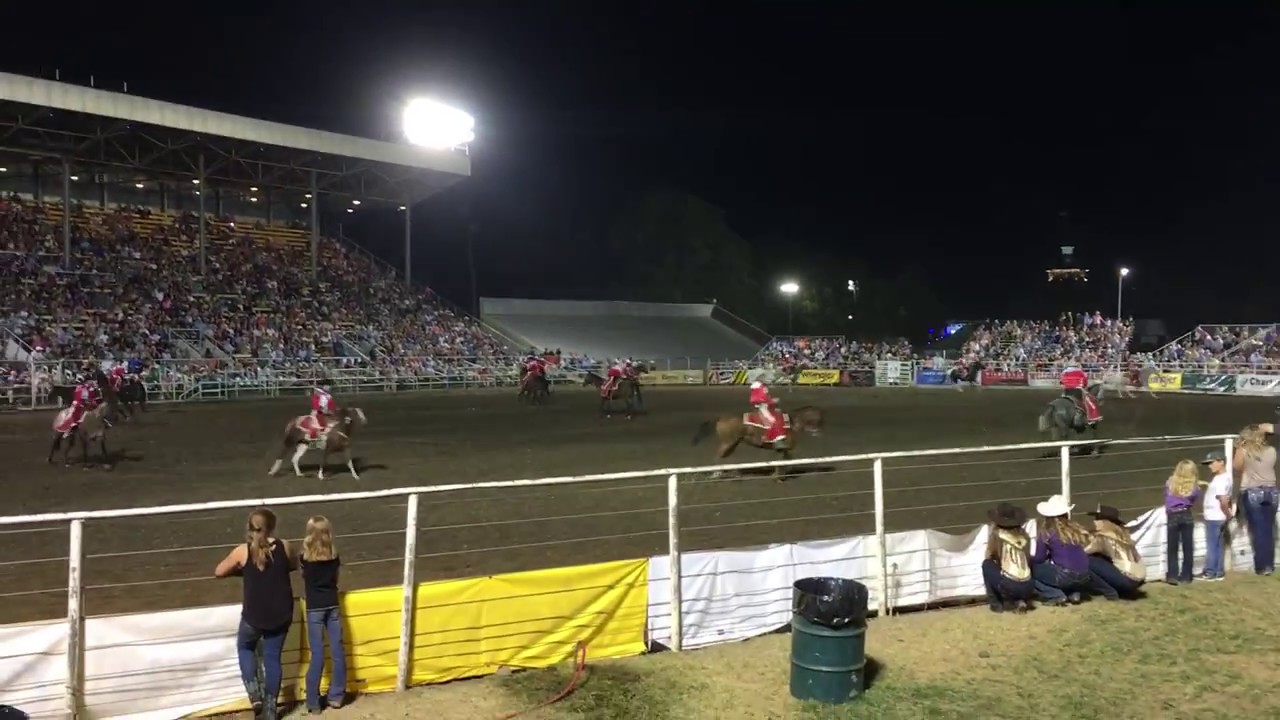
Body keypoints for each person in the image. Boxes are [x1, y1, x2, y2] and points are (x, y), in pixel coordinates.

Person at [214, 509, 296, 720]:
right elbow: (293, 564)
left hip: (254, 615)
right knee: (272, 658)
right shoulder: (285, 546)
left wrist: (241, 571)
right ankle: (270, 708)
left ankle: (254, 693)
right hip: (281, 612)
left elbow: (219, 571)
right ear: (272, 526)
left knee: (245, 647)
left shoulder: (242, 552)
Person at [300, 516, 346, 713]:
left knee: (317, 653)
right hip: (332, 605)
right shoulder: (334, 555)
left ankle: (312, 701)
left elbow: (304, 577)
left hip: (314, 608)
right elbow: (335, 579)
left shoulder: (305, 557)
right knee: (337, 651)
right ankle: (336, 696)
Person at [1030, 494, 1099, 605]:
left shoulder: (1047, 532)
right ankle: (1074, 593)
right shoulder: (1076, 529)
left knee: (1032, 570)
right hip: (1085, 576)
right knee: (1070, 568)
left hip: (1065, 576)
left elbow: (1039, 558)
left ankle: (1055, 594)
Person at [1233, 423, 1277, 576]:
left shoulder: (1244, 451)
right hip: (1272, 491)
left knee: (1257, 531)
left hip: (1253, 491)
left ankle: (1261, 566)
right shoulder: (1272, 451)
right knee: (1269, 530)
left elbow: (1237, 467)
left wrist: (1240, 448)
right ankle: (1270, 565)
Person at [980, 503, 1035, 613]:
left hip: (1010, 584)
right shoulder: (1024, 535)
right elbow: (1028, 557)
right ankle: (1022, 599)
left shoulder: (997, 535)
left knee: (987, 564)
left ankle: (996, 604)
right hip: (1028, 585)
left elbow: (989, 555)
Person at [1083, 504, 1147, 599]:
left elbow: (1082, 553)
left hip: (1127, 581)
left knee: (1085, 560)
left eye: (1097, 518)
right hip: (1140, 580)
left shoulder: (1102, 538)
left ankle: (1108, 591)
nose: (1094, 521)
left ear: (1105, 521)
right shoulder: (1123, 535)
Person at [1164, 459, 1203, 585]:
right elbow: (1195, 499)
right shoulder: (1194, 487)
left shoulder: (1170, 483)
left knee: (1172, 547)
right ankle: (1186, 576)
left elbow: (1166, 495)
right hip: (1186, 513)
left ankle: (1172, 575)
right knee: (1188, 547)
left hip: (1172, 514)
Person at [1199, 450, 1233, 581]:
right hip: (1218, 516)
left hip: (1215, 516)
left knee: (1212, 545)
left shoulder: (1221, 480)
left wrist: (1228, 514)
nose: (1209, 466)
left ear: (1221, 462)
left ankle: (1210, 572)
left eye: (1212, 463)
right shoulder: (1223, 477)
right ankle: (1218, 572)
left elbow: (1223, 500)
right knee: (1218, 544)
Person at [748, 380, 787, 444]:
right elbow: (762, 400)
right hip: (763, 408)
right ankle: (768, 437)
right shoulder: (760, 389)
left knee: (779, 414)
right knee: (772, 420)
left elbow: (764, 398)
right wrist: (772, 401)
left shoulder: (759, 389)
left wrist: (771, 401)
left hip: (766, 406)